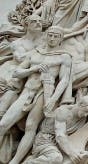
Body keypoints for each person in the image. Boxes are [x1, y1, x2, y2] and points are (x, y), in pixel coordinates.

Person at [0, 26, 73, 164]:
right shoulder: (36, 52)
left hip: (43, 94)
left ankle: (14, 162)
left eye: (56, 36)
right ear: (45, 36)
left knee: (30, 127)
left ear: (60, 39)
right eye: (50, 35)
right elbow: (17, 72)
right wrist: (33, 69)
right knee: (3, 124)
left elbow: (64, 80)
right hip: (27, 91)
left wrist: (53, 100)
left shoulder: (64, 57)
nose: (52, 38)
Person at [23, 95, 88, 164]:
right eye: (86, 111)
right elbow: (60, 136)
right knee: (56, 158)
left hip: (62, 145)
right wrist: (72, 153)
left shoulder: (82, 118)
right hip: (45, 141)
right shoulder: (63, 112)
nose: (86, 115)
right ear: (80, 104)